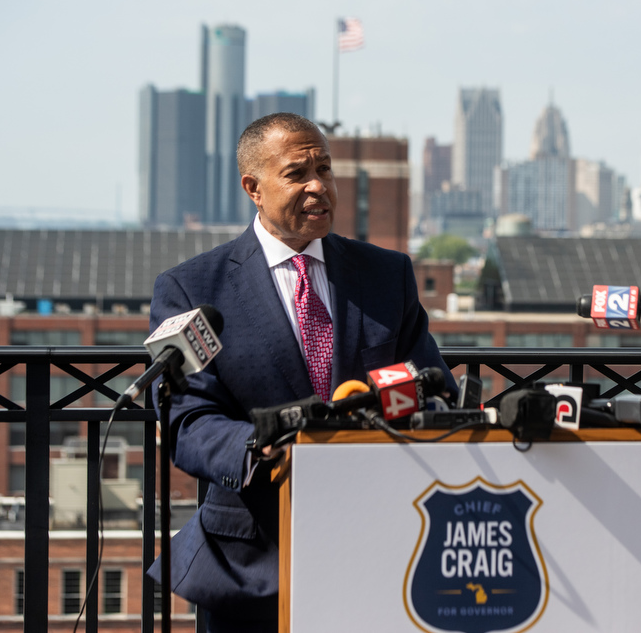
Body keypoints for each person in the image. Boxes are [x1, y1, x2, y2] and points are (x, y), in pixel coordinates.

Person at [147, 113, 456, 631]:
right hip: (253, 563)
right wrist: (259, 445)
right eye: (297, 174)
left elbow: (435, 391)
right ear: (254, 188)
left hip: (380, 550)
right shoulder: (192, 289)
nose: (319, 187)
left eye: (325, 170)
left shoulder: (387, 275)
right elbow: (189, 421)